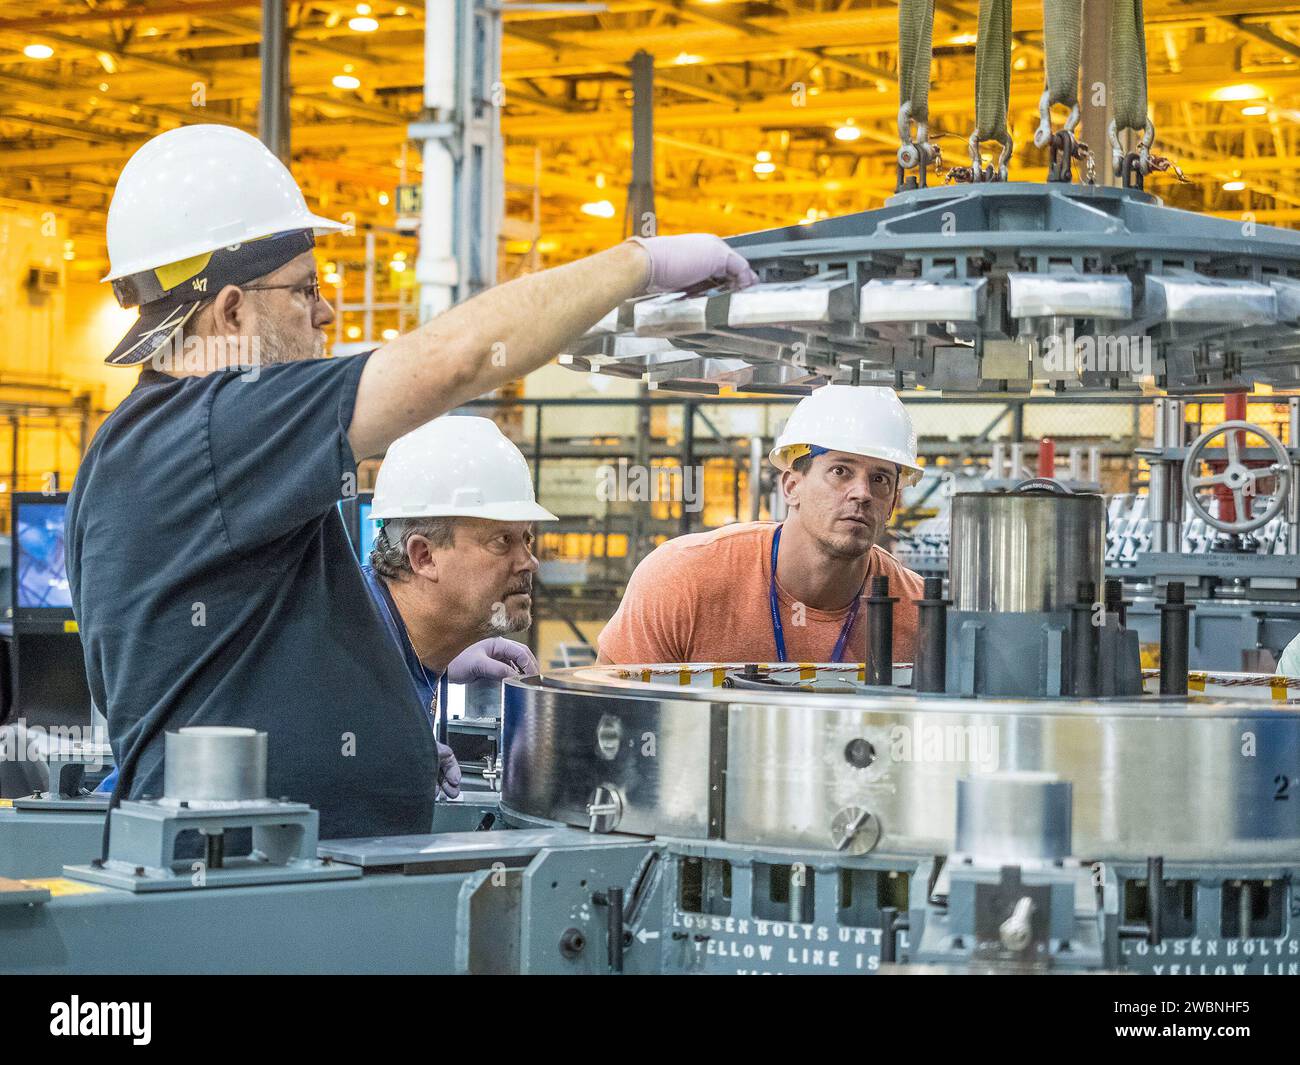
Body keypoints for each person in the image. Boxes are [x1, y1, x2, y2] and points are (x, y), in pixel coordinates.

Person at [67, 123, 755, 840]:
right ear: (232, 311)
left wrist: (398, 676)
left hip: (284, 881)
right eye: (305, 290)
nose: (326, 311)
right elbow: (453, 361)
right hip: (257, 902)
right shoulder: (211, 430)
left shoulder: (152, 445)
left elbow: (237, 649)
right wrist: (637, 263)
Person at [598, 385, 926, 666]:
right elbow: (609, 717)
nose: (862, 493)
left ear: (893, 503)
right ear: (791, 487)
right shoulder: (684, 579)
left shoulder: (919, 612)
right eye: (841, 471)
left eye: (880, 479)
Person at [361, 415, 557, 799]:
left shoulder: (393, 638)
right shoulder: (343, 639)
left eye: (527, 539)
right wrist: (380, 748)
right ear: (424, 556)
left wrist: (444, 656)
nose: (528, 562)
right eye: (502, 541)